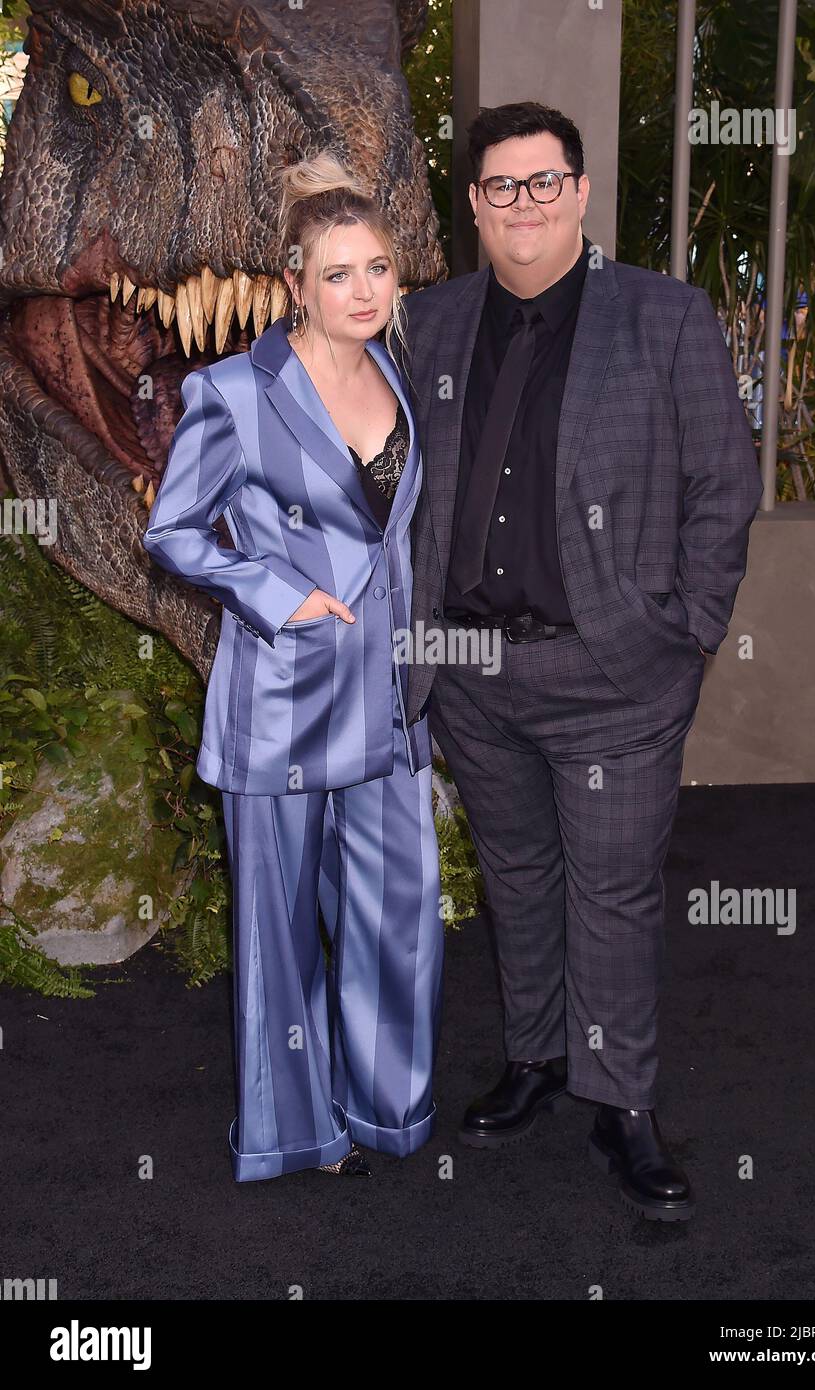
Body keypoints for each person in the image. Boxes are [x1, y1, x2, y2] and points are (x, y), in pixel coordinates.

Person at [399, 102, 763, 1221]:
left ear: (582, 190)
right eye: (501, 186)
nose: (525, 203)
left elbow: (724, 486)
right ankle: (538, 1057)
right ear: (472, 204)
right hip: (469, 669)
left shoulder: (663, 315)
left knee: (610, 891)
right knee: (517, 876)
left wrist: (688, 629)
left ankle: (622, 1101)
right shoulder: (430, 319)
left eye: (544, 181)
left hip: (615, 674)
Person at [142, 152, 444, 1182]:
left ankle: (386, 1105)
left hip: (391, 701)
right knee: (277, 935)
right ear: (295, 284)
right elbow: (174, 531)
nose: (363, 291)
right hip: (283, 693)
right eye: (339, 273)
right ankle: (297, 1132)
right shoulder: (233, 390)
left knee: (402, 910)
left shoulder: (395, 371)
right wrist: (277, 597)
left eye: (378, 269)